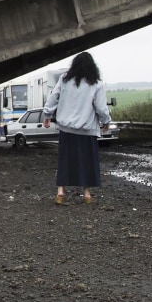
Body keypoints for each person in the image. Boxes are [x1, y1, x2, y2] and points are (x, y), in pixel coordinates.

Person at [42, 52, 112, 205]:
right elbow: (101, 108)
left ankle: (61, 192)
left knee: (65, 160)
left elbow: (53, 97)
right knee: (87, 161)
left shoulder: (64, 80)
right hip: (87, 130)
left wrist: (47, 115)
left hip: (66, 129)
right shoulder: (96, 83)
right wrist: (106, 121)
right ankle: (86, 194)